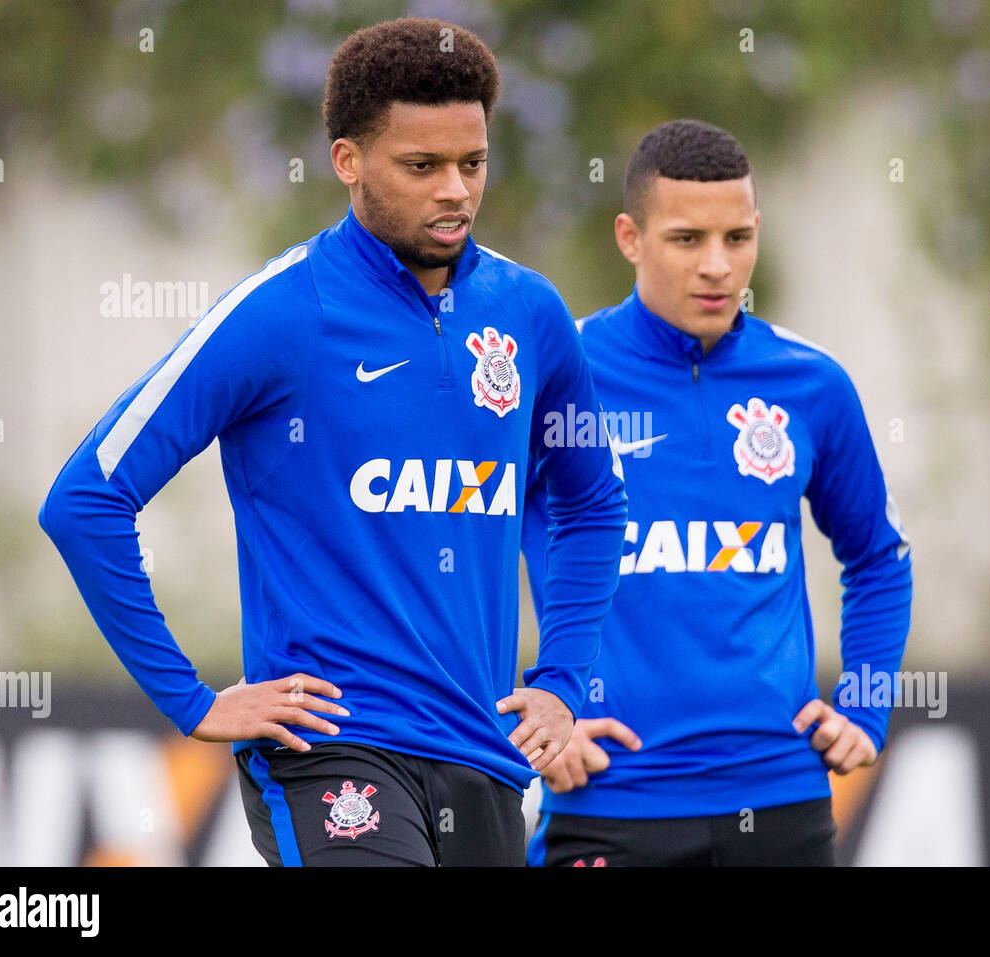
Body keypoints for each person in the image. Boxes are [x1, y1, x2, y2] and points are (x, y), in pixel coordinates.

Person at [39, 17, 626, 867]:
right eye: (422, 166)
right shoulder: (283, 311)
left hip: (484, 760)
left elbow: (593, 498)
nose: (456, 190)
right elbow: (86, 498)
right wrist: (193, 701)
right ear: (348, 160)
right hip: (333, 752)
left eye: (473, 162)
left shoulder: (529, 313)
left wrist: (563, 679)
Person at [521, 119, 912, 866]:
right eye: (686, 239)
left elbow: (879, 557)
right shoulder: (558, 378)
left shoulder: (811, 383)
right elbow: (457, 547)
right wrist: (536, 720)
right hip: (614, 799)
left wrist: (864, 703)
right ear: (630, 238)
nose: (717, 267)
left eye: (737, 238)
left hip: (780, 800)